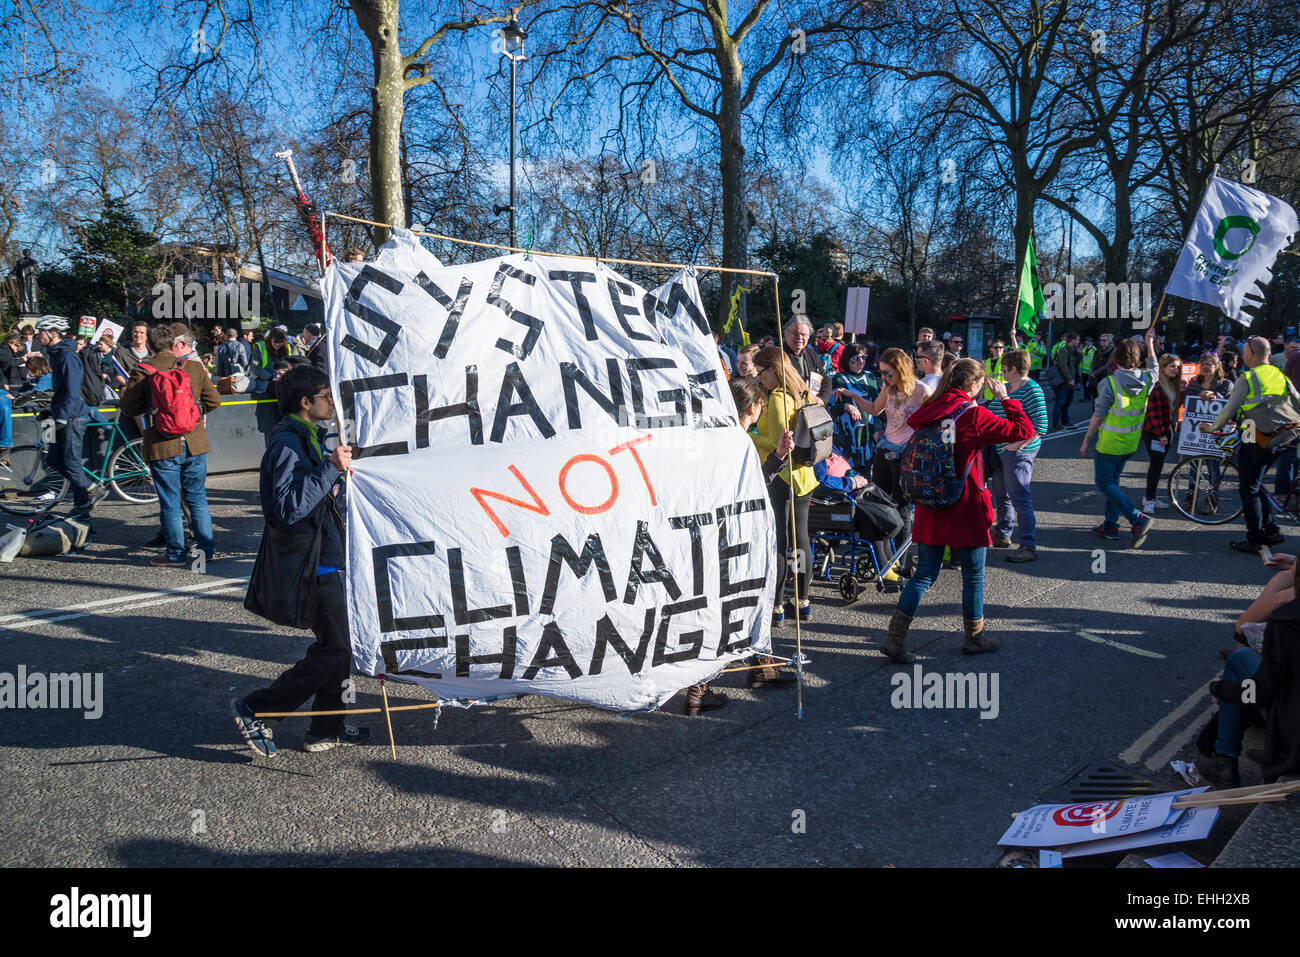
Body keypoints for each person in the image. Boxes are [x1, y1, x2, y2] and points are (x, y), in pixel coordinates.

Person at [231, 365, 370, 756]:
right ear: (306, 403)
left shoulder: (306, 435)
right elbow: (287, 508)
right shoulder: (286, 443)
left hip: (324, 556)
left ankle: (327, 727)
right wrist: (330, 468)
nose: (332, 403)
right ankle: (259, 708)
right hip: (312, 564)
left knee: (338, 645)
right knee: (338, 648)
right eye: (327, 396)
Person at [877, 358, 1033, 663]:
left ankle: (895, 637)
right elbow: (1023, 430)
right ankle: (973, 637)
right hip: (965, 504)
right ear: (974, 385)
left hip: (931, 502)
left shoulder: (929, 412)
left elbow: (913, 425)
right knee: (973, 576)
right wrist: (1005, 397)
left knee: (924, 574)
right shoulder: (974, 415)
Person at [664, 375, 800, 716]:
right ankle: (700, 687)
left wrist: (779, 456)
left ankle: (761, 665)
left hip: (715, 539)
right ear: (753, 408)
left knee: (742, 601)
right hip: (731, 540)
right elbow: (754, 488)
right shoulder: (737, 443)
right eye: (761, 409)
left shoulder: (709, 439)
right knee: (730, 605)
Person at [120, 324, 222, 567]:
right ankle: (205, 550)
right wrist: (191, 412)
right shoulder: (194, 367)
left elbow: (128, 408)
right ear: (173, 343)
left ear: (151, 346)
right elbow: (214, 400)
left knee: (170, 501)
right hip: (195, 442)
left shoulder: (143, 370)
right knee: (197, 498)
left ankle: (175, 554)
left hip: (162, 444)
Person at [1199, 336, 1300, 553]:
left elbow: (1228, 410)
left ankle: (1255, 539)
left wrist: (1211, 427)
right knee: (1255, 483)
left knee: (1249, 489)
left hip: (1256, 437)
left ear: (1252, 354)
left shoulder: (1247, 378)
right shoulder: (1278, 374)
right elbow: (1297, 400)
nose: (1243, 355)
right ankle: (1271, 529)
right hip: (1280, 436)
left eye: (1245, 352)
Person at [836, 348, 932, 553]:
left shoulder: (922, 390)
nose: (884, 377)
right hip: (885, 451)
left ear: (901, 370)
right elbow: (873, 409)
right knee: (878, 504)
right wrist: (852, 395)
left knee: (902, 508)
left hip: (906, 456)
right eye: (881, 372)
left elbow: (933, 424)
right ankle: (882, 556)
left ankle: (901, 560)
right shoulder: (888, 388)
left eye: (888, 373)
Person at [752, 346, 817, 624]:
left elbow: (781, 444)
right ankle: (801, 600)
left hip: (782, 476)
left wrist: (750, 436)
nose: (758, 379)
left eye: (760, 372)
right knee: (801, 540)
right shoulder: (802, 391)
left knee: (780, 542)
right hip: (805, 476)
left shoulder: (779, 397)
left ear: (773, 369)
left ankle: (776, 605)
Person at [1080, 324, 1157, 547]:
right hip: (1130, 443)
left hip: (1109, 444)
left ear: (1116, 358)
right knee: (1113, 482)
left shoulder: (1110, 383)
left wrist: (1086, 439)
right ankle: (1111, 525)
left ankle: (1136, 518)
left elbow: (1098, 415)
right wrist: (1150, 344)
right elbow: (1154, 368)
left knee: (1104, 483)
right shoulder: (1146, 380)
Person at [987, 349, 1048, 562]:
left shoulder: (1032, 390)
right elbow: (993, 411)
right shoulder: (1010, 388)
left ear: (1013, 369)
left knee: (1020, 497)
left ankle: (1028, 546)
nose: (1001, 372)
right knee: (1001, 493)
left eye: (1004, 368)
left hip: (1018, 451)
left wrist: (1017, 446)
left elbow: (1041, 426)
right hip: (1003, 450)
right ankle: (1003, 534)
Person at [34, 316, 95, 519]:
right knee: (53, 458)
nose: (37, 335)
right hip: (60, 414)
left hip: (72, 417)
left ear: (52, 333)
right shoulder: (55, 354)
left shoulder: (67, 356)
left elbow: (72, 391)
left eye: (40, 331)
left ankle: (83, 502)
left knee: (71, 462)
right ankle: (88, 489)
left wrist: (61, 417)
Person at [1140, 354, 1182, 514]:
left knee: (1157, 465)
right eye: (1172, 366)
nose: (1176, 370)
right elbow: (1153, 413)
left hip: (1166, 431)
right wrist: (1161, 435)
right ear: (1163, 368)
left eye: (1177, 367)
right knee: (1155, 466)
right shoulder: (1158, 387)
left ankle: (1151, 497)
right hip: (1155, 432)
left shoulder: (1172, 385)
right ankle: (1149, 500)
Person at [1048, 333, 1081, 429]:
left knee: (1067, 402)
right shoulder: (1064, 350)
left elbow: (1077, 364)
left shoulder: (1073, 351)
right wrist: (1069, 379)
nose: (1079, 342)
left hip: (1071, 380)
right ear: (1073, 340)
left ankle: (1065, 421)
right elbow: (1063, 366)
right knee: (1060, 402)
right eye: (1077, 340)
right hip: (1064, 381)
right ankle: (1056, 423)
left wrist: (1079, 354)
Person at [782, 318, 818, 394]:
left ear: (808, 337)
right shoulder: (779, 355)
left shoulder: (811, 354)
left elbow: (825, 379)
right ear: (786, 335)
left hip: (813, 401)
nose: (799, 337)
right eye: (795, 333)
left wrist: (821, 399)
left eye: (803, 334)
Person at [113, 320, 152, 386]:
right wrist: (132, 387)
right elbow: (118, 375)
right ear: (132, 333)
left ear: (147, 335)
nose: (138, 335)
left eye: (142, 332)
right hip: (128, 390)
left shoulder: (152, 353)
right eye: (136, 332)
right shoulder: (122, 351)